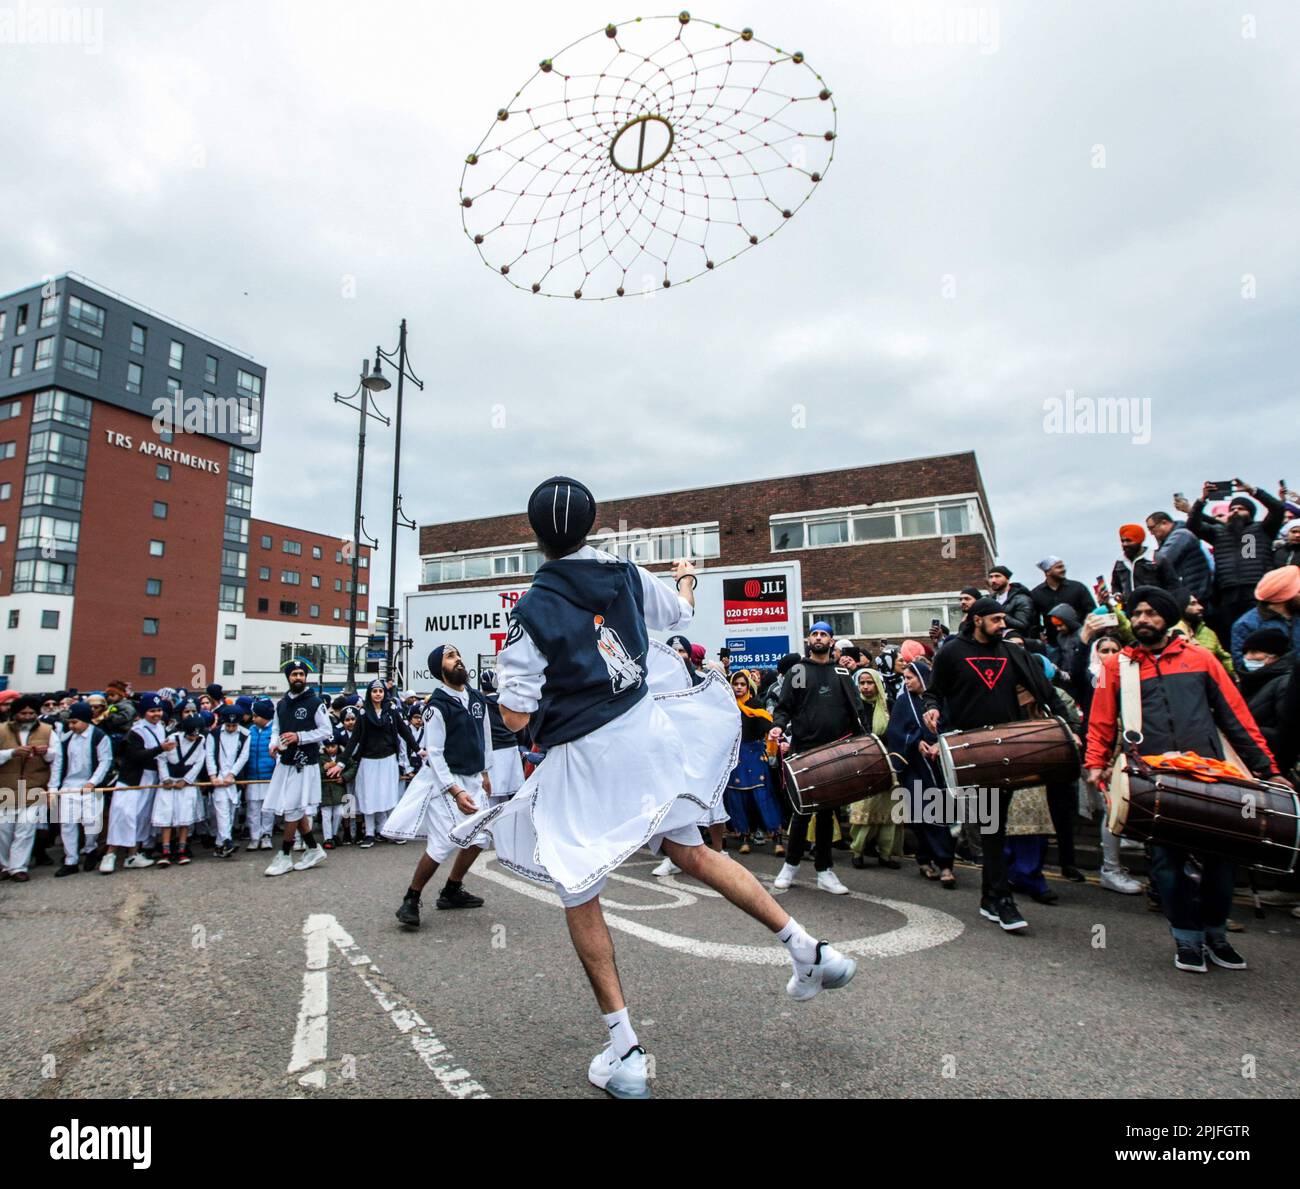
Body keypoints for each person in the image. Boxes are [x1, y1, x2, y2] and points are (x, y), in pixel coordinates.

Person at [449, 476, 857, 1098]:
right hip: (648, 732)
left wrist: (553, 689)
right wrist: (687, 576)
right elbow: (680, 612)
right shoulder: (624, 573)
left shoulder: (530, 611)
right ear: (591, 526)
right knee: (694, 851)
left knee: (579, 887)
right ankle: (807, 947)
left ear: (535, 537)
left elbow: (513, 715)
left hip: (588, 755)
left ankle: (626, 1052)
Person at [1084, 586, 1284, 972]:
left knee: (1221, 860)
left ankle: (1216, 933)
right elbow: (1101, 720)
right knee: (1166, 863)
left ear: (1168, 618)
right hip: (1154, 777)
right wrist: (1095, 761)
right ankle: (1186, 938)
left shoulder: (1202, 659)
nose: (1142, 619)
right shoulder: (1116, 667)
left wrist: (1268, 769)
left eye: (1151, 613)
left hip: (1210, 774)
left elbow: (1235, 717)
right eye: (1137, 613)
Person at [921, 598, 1075, 932]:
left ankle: (991, 897)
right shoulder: (951, 652)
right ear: (977, 620)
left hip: (1007, 746)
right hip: (971, 751)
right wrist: (931, 708)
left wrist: (1068, 728)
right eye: (996, 619)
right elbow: (935, 691)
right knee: (991, 824)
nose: (1002, 624)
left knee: (994, 825)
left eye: (1003, 618)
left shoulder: (1012, 652)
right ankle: (1001, 899)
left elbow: (1044, 691)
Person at [386, 644, 493, 927]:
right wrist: (455, 791)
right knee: (444, 841)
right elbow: (434, 754)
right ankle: (411, 898)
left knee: (480, 838)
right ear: (439, 670)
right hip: (445, 781)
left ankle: (451, 890)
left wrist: (485, 773)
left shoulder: (476, 698)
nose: (458, 659)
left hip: (472, 778)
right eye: (450, 657)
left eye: (458, 654)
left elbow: (485, 738)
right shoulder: (436, 707)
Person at [770, 621, 865, 895]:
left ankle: (825, 870)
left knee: (826, 813)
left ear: (832, 641)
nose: (819, 638)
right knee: (801, 812)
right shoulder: (798, 670)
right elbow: (785, 706)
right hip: (804, 750)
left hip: (834, 751)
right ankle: (790, 865)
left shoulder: (840, 673)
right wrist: (778, 724)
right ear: (809, 640)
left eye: (824, 634)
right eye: (814, 634)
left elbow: (855, 710)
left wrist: (863, 738)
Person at [1188, 479, 1288, 640]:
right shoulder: (1218, 533)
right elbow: (1193, 525)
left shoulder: (1262, 529)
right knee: (1233, 632)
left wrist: (1252, 491)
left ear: (1251, 513)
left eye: (1241, 509)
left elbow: (1278, 508)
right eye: (1232, 509)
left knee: (1260, 631)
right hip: (1228, 592)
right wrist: (1202, 499)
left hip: (1256, 590)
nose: (1235, 511)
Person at [885, 660, 956, 887]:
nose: (906, 682)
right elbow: (895, 733)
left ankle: (945, 863)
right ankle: (928, 860)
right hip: (914, 767)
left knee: (940, 815)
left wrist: (939, 743)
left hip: (942, 767)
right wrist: (915, 743)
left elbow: (953, 726)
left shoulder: (942, 699)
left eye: (910, 678)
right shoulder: (903, 702)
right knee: (921, 814)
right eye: (904, 678)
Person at [262, 659, 330, 877]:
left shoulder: (314, 702)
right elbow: (276, 729)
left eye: (301, 674)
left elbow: (326, 731)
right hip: (285, 760)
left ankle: (284, 854)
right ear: (288, 678)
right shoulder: (281, 704)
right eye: (294, 675)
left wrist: (299, 737)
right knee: (294, 807)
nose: (298, 678)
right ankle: (312, 848)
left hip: (305, 761)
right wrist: (274, 744)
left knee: (292, 807)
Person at [102, 694, 173, 873]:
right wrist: (160, 749)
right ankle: (110, 854)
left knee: (140, 817)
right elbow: (135, 756)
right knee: (123, 815)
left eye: (158, 710)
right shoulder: (136, 731)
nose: (156, 714)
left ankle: (133, 854)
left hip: (150, 778)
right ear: (143, 713)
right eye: (152, 711)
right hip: (133, 778)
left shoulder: (160, 727)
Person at [347, 678, 419, 847]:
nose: (378, 694)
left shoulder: (392, 711)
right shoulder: (364, 714)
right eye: (374, 691)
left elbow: (405, 732)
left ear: (384, 693)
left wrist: (418, 750)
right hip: (368, 760)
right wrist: (342, 762)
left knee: (389, 796)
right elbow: (354, 740)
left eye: (380, 691)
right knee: (369, 797)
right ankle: (370, 833)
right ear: (369, 694)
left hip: (388, 759)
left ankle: (390, 831)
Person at [721, 670, 783, 855]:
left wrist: (774, 735)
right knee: (737, 798)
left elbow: (769, 726)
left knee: (763, 796)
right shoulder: (726, 707)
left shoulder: (756, 706)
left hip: (755, 756)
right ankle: (744, 838)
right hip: (735, 757)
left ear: (748, 687)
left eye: (742, 684)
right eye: (736, 684)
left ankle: (777, 839)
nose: (739, 687)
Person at [48, 702, 114, 877]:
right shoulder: (66, 739)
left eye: (75, 722)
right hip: (69, 787)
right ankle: (71, 860)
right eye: (70, 722)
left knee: (91, 822)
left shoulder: (99, 737)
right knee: (67, 824)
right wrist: (53, 787)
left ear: (85, 720)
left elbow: (105, 761)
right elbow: (58, 764)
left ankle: (91, 849)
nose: (71, 726)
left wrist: (93, 781)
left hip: (90, 786)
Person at [0, 695, 55, 883]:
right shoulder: (1, 730)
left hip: (34, 787)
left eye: (32, 713)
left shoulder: (47, 731)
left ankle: (18, 867)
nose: (28, 716)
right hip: (6, 787)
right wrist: (11, 753)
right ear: (15, 714)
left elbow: (57, 758)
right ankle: (5, 865)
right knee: (4, 830)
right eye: (23, 713)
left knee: (26, 829)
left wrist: (46, 752)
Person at [848, 666, 898, 869]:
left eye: (870, 682)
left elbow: (897, 733)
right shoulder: (854, 707)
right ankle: (857, 851)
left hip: (888, 763)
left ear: (877, 684)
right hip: (863, 764)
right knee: (864, 810)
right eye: (862, 683)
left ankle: (886, 855)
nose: (866, 687)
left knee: (890, 811)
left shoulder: (889, 706)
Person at [153, 715, 209, 867]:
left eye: (196, 734)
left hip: (186, 783)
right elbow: (162, 759)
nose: (193, 737)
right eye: (191, 734)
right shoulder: (172, 738)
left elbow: (199, 762)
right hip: (169, 781)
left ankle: (182, 849)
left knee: (184, 817)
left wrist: (186, 780)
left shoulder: (201, 741)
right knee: (167, 817)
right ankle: (166, 851)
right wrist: (165, 778)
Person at [1238, 629, 1296, 764]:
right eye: (1245, 653)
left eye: (1254, 652)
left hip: (1270, 759)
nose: (1247, 657)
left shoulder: (1285, 684)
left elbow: (1287, 733)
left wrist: (1244, 732)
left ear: (1273, 656)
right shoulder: (1249, 680)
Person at [1229, 565, 1300, 672]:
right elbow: (1244, 669)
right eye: (1298, 591)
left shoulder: (1296, 617)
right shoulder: (1245, 625)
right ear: (1284, 596)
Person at [207, 704, 249, 859]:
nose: (231, 728)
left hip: (233, 779)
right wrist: (212, 775)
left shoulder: (245, 734)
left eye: (234, 725)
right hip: (218, 778)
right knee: (222, 809)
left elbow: (243, 756)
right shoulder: (214, 734)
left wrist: (232, 774)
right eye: (228, 725)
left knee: (231, 811)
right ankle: (227, 840)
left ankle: (220, 845)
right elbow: (209, 755)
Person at [1146, 511, 1212, 604]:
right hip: (1192, 589)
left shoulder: (1181, 535)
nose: (1151, 533)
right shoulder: (1174, 536)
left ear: (1164, 523)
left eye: (1152, 528)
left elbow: (1162, 560)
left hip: (1194, 591)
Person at [1029, 558, 1095, 646]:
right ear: (1047, 572)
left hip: (1080, 640)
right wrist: (1038, 638)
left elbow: (1091, 611)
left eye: (1063, 566)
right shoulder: (1036, 593)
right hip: (1053, 644)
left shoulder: (1078, 588)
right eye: (1058, 567)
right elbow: (1034, 621)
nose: (1063, 570)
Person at [1172, 592, 1234, 676]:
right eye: (1193, 604)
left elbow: (1224, 658)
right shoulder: (1171, 633)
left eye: (1198, 603)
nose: (1201, 607)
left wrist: (1237, 676)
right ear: (1180, 607)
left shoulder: (1208, 632)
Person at [1111, 524, 1178, 600]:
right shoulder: (1120, 562)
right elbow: (1115, 585)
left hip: (1155, 606)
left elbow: (1173, 585)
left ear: (1139, 541)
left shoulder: (1157, 559)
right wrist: (1117, 594)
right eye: (1122, 541)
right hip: (1129, 608)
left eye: (1129, 541)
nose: (1125, 544)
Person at [244, 698, 277, 850]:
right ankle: (254, 836)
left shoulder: (274, 731)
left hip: (268, 776)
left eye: (256, 715)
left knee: (267, 809)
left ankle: (266, 835)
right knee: (253, 809)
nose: (253, 718)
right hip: (252, 776)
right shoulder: (250, 731)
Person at [318, 730, 354, 849]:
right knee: (326, 815)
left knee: (339, 813)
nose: (331, 749)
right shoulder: (321, 757)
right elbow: (316, 772)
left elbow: (353, 766)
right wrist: (324, 768)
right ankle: (327, 838)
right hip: (325, 790)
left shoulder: (343, 757)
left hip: (338, 790)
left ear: (338, 745)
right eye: (328, 746)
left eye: (333, 746)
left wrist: (344, 777)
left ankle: (334, 834)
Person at [987, 565, 1038, 636]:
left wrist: (1002, 616)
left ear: (1007, 579)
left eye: (997, 576)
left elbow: (1023, 625)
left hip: (1017, 641)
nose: (993, 580)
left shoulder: (1021, 599)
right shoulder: (990, 599)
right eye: (990, 577)